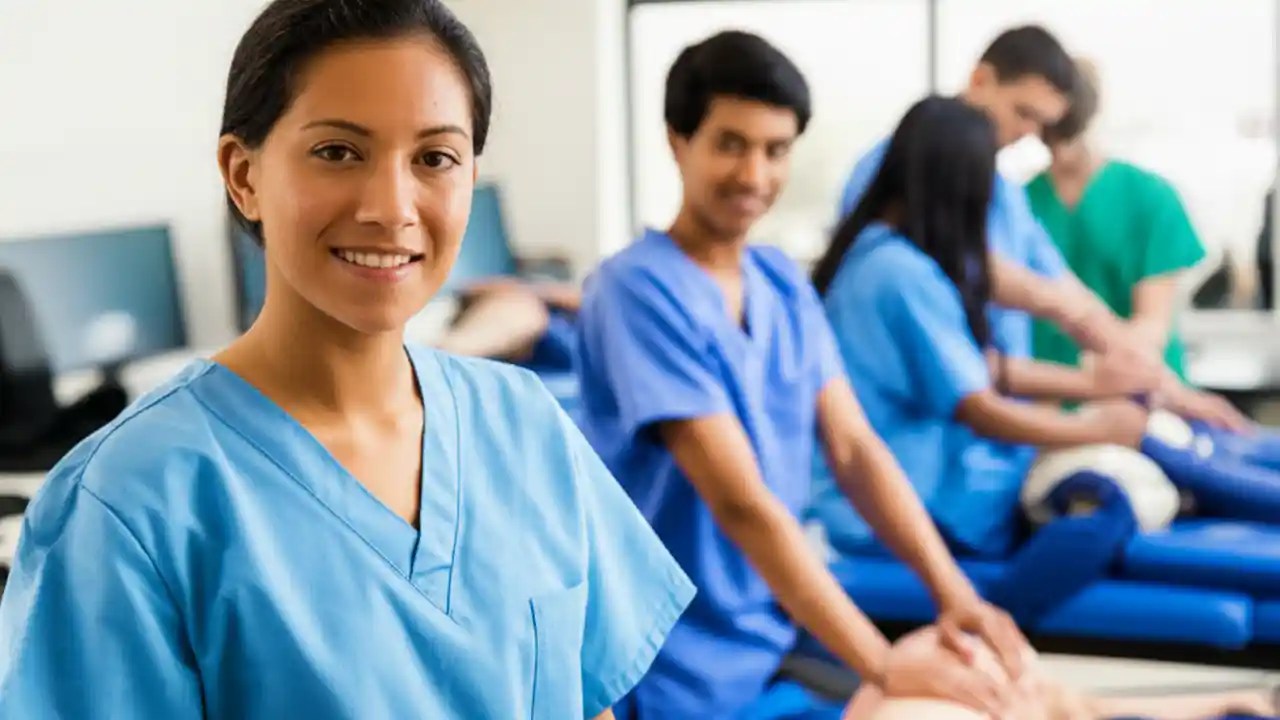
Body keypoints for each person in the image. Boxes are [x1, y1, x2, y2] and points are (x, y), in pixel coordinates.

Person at [0, 2, 694, 718]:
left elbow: (588, 703)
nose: (392, 208)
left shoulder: (524, 424)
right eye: (338, 151)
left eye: (435, 158)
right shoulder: (127, 501)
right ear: (243, 175)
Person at [575, 31, 1027, 720]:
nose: (754, 176)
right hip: (673, 668)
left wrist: (953, 594)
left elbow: (854, 450)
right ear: (678, 141)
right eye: (731, 143)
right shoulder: (636, 290)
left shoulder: (781, 283)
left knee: (1001, 694)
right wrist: (883, 664)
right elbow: (741, 504)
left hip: (772, 636)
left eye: (775, 150)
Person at [813, 95, 1278, 720]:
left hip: (946, 490)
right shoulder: (898, 272)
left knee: (1174, 449)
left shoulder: (899, 256)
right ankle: (1016, 596)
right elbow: (977, 405)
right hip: (931, 507)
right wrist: (1096, 422)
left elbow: (986, 369)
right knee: (1125, 482)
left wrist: (1099, 393)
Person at [838, 25, 1168, 410]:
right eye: (1023, 112)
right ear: (981, 80)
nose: (1029, 133)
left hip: (994, 446)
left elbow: (1067, 290)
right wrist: (1070, 332)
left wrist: (1156, 379)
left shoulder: (1006, 193)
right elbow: (951, 265)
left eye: (1041, 124)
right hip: (930, 425)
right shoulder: (897, 167)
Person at [1027, 59, 1250, 429]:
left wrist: (1156, 388)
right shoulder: (1019, 204)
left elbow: (1151, 327)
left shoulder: (1150, 198)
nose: (1058, 146)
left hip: (1143, 400)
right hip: (1045, 405)